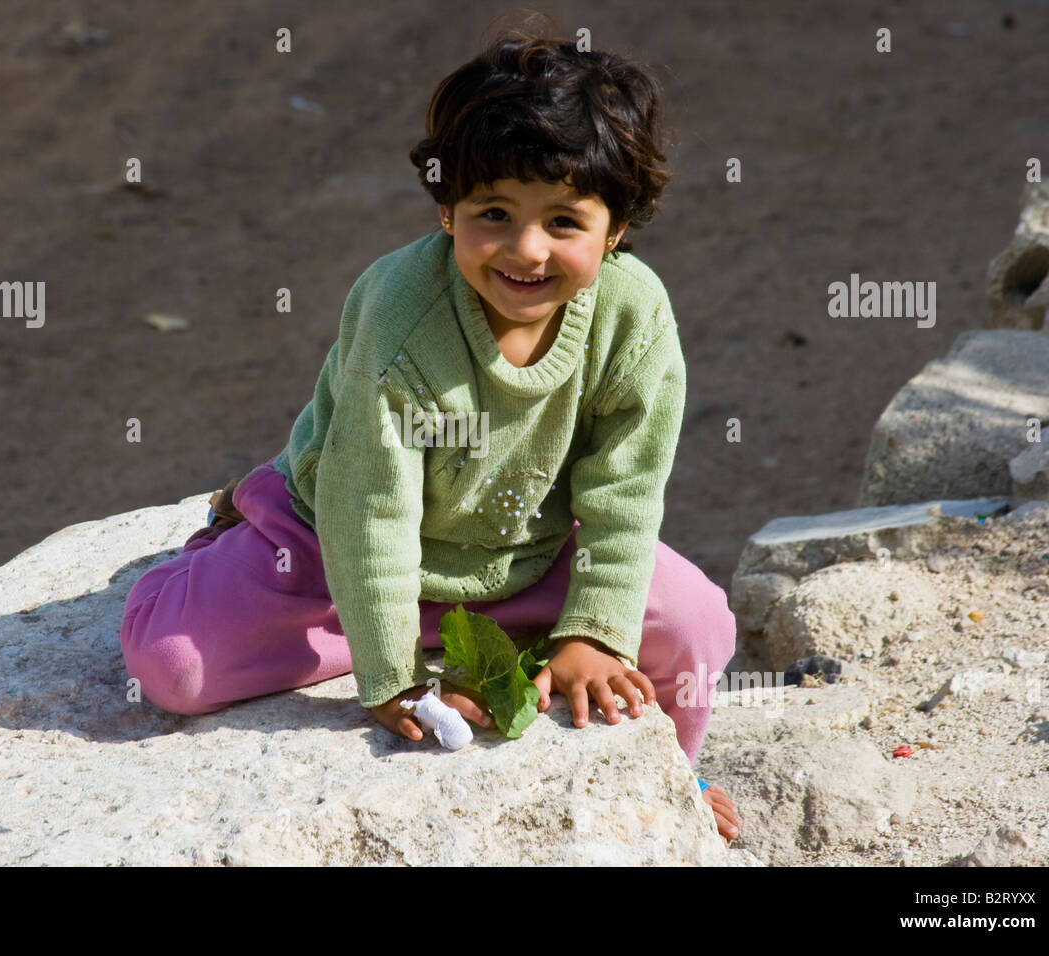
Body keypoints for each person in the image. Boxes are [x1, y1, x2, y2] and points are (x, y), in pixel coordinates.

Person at [120, 27, 740, 843]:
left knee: (700, 626)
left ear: (616, 229)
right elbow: (369, 505)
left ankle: (671, 778)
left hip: (526, 552)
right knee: (173, 665)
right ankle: (251, 512)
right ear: (445, 208)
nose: (526, 249)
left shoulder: (635, 317)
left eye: (564, 221)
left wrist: (592, 634)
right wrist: (393, 676)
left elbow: (624, 493)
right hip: (340, 536)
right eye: (493, 213)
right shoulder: (400, 310)